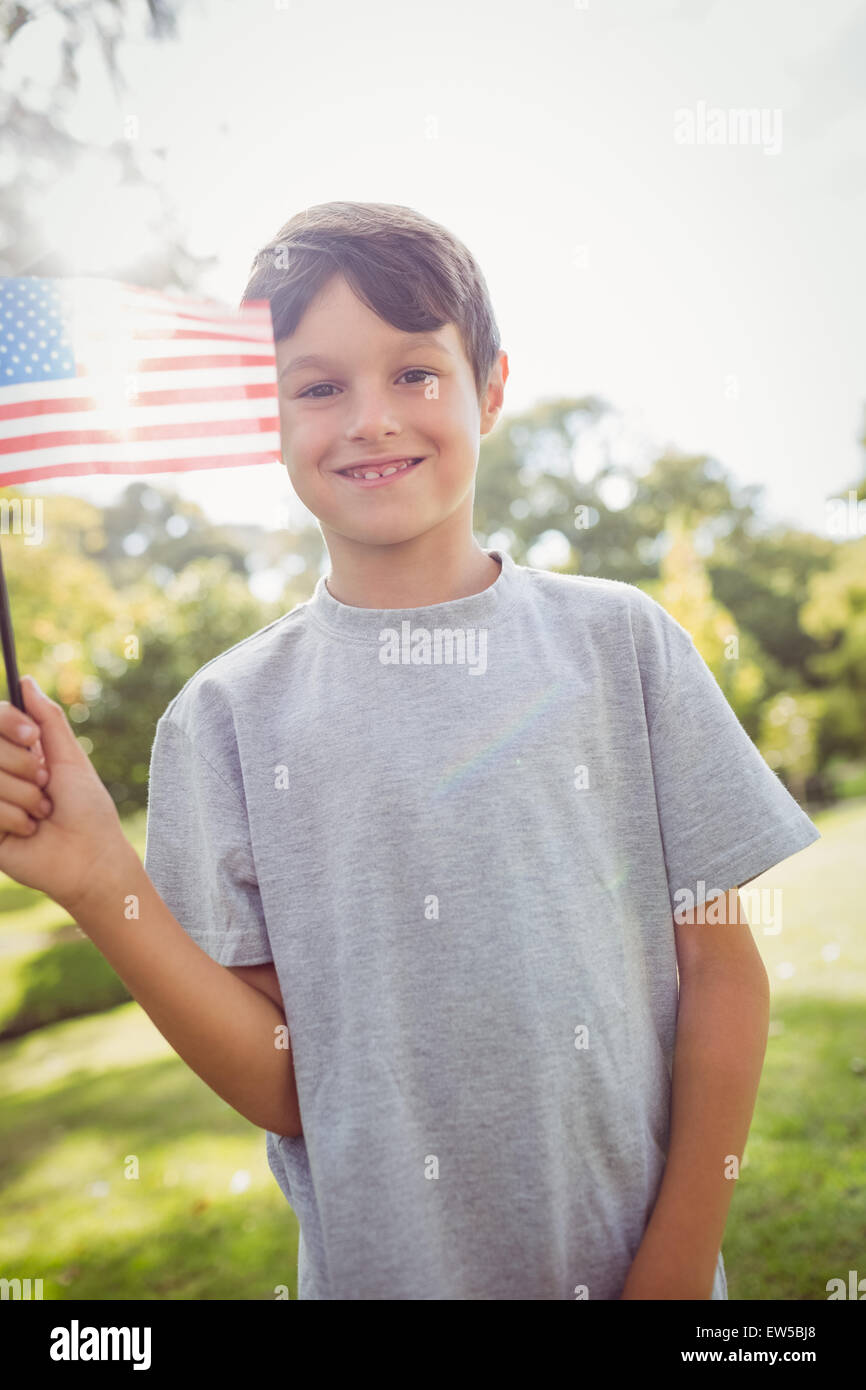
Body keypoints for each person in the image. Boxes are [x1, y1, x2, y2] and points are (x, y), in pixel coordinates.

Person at [0, 202, 820, 1300]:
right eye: (319, 385)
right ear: (268, 413)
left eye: (414, 374)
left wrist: (667, 1281)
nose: (370, 418)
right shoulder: (222, 718)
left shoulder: (620, 641)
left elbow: (722, 972)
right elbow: (291, 1082)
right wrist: (102, 881)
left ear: (488, 388)